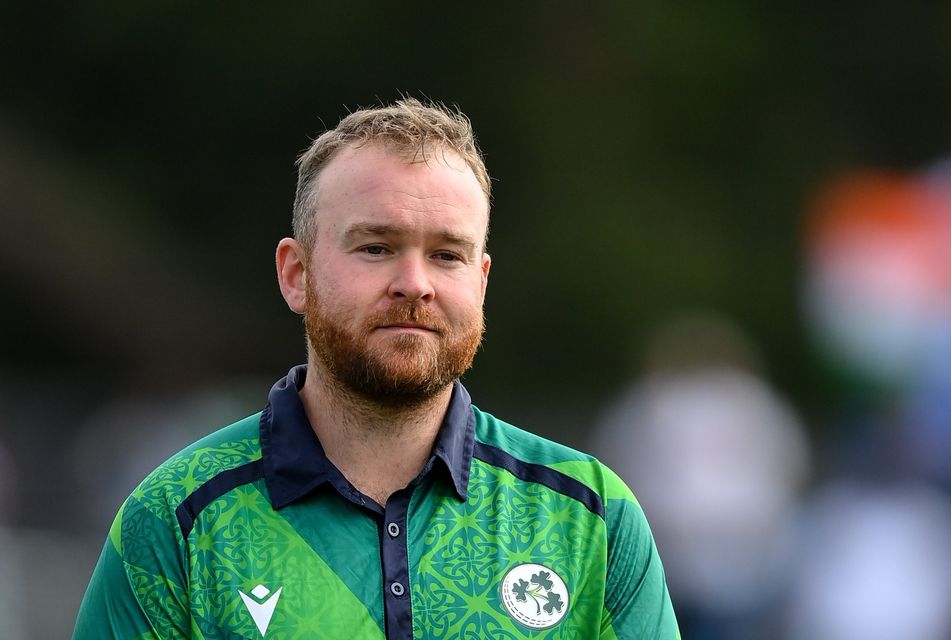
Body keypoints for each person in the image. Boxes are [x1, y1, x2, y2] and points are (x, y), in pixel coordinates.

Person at [73, 98, 679, 639]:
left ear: (481, 281)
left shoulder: (589, 518)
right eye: (375, 248)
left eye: (447, 255)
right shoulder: (174, 521)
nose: (414, 283)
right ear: (296, 274)